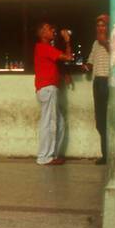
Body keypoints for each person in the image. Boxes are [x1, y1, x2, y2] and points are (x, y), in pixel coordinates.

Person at [34, 22, 72, 165]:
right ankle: (45, 157)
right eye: (50, 29)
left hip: (49, 88)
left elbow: (56, 64)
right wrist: (68, 41)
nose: (53, 30)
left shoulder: (47, 48)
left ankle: (53, 154)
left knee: (59, 123)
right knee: (49, 123)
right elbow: (68, 57)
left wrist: (63, 74)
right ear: (42, 33)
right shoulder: (43, 47)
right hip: (47, 89)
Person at [85, 13, 110, 165]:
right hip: (97, 82)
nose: (100, 28)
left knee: (110, 120)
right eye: (98, 25)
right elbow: (90, 63)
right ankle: (105, 155)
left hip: (109, 82)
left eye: (103, 25)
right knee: (100, 121)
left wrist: (105, 42)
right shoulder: (95, 43)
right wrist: (85, 67)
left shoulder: (114, 40)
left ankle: (114, 155)